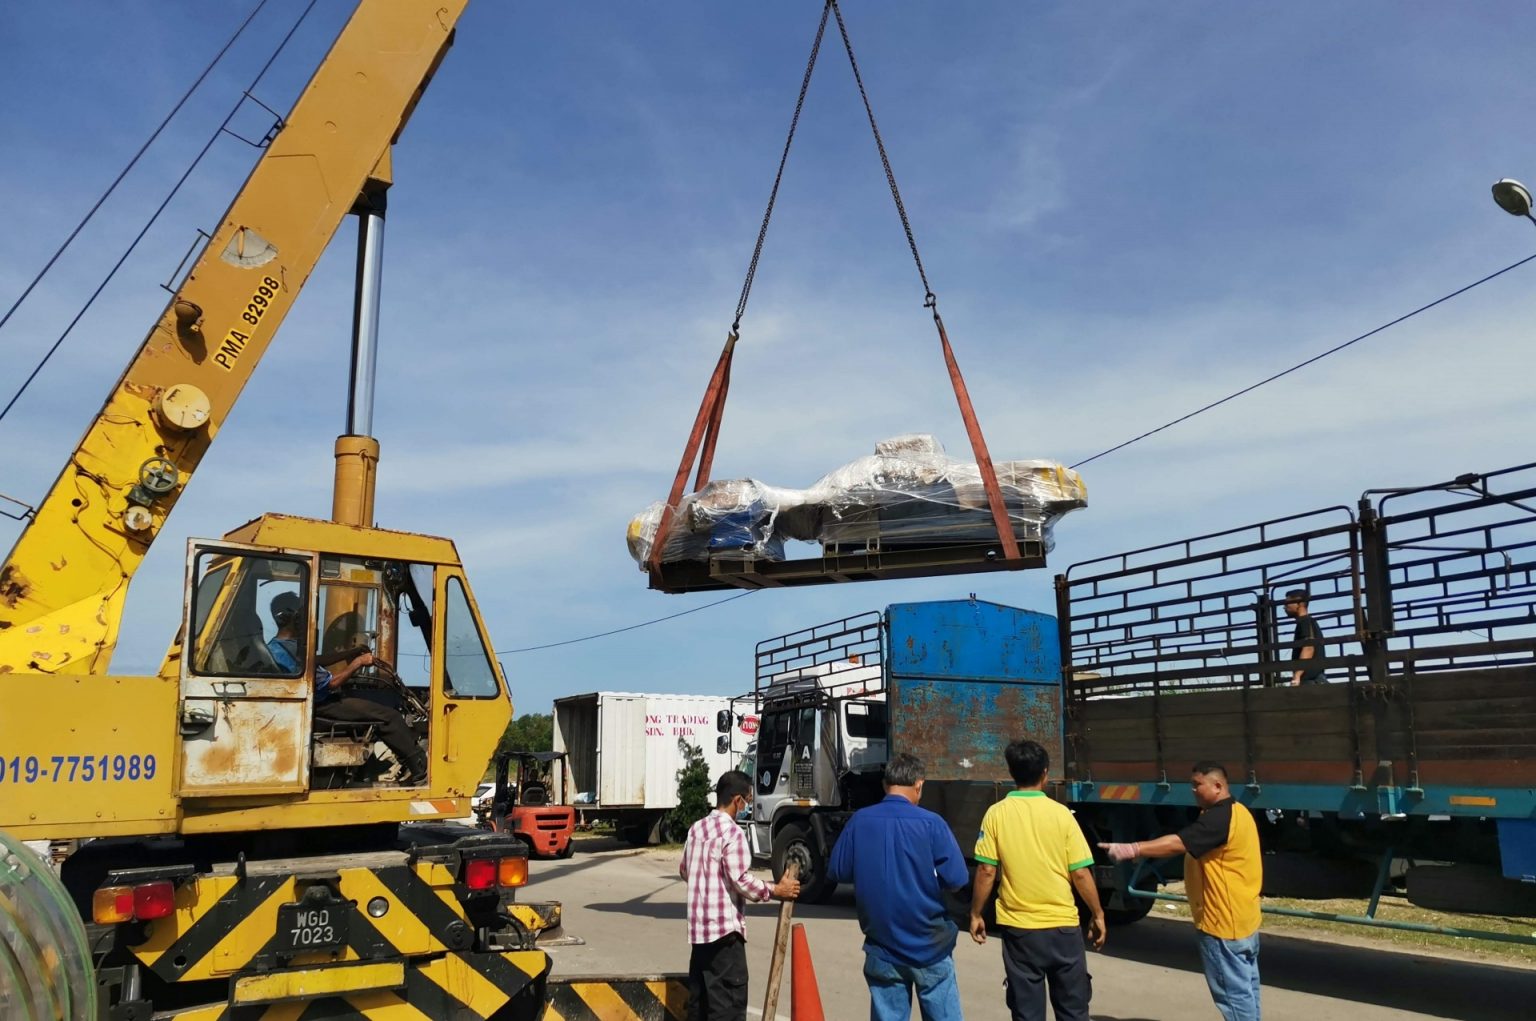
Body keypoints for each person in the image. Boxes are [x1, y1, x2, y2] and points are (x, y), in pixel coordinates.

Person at [1099, 762, 1262, 1021]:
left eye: (1198, 785)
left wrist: (1134, 848)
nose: (1193, 791)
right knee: (1246, 991)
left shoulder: (1219, 819)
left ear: (1218, 786)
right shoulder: (1238, 812)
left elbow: (1178, 843)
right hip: (1243, 920)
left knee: (1234, 997)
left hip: (1223, 923)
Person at [826, 752, 968, 1021]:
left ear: (884, 785)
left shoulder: (860, 821)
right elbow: (957, 879)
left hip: (882, 947)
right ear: (919, 785)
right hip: (930, 946)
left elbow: (838, 870)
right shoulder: (931, 823)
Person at [969, 740, 1104, 1021]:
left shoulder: (996, 814)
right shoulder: (1062, 815)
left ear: (1011, 772)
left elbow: (986, 871)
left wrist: (976, 913)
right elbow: (1079, 872)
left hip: (1020, 931)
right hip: (1064, 928)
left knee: (1027, 1012)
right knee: (1073, 1010)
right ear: (1045, 773)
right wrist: (1098, 913)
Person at [268, 591, 428, 785]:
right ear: (289, 618)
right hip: (321, 703)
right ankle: (420, 768)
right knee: (389, 716)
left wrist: (349, 653)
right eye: (301, 613)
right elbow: (331, 683)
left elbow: (314, 661)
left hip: (318, 699)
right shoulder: (285, 651)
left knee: (377, 701)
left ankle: (373, 762)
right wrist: (357, 663)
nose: (306, 618)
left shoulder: (282, 646)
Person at [680, 770, 800, 1021]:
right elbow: (740, 880)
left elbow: (684, 871)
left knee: (700, 1008)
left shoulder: (696, 829)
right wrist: (775, 890)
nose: (747, 806)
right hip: (725, 938)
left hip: (699, 938)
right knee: (727, 1010)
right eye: (747, 800)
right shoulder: (732, 833)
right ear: (737, 800)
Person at [1283, 588, 1324, 685]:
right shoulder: (1308, 621)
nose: (1284, 607)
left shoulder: (1304, 621)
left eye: (1287, 603)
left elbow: (1309, 647)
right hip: (1314, 680)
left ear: (1300, 604)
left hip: (1310, 681)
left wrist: (1297, 675)